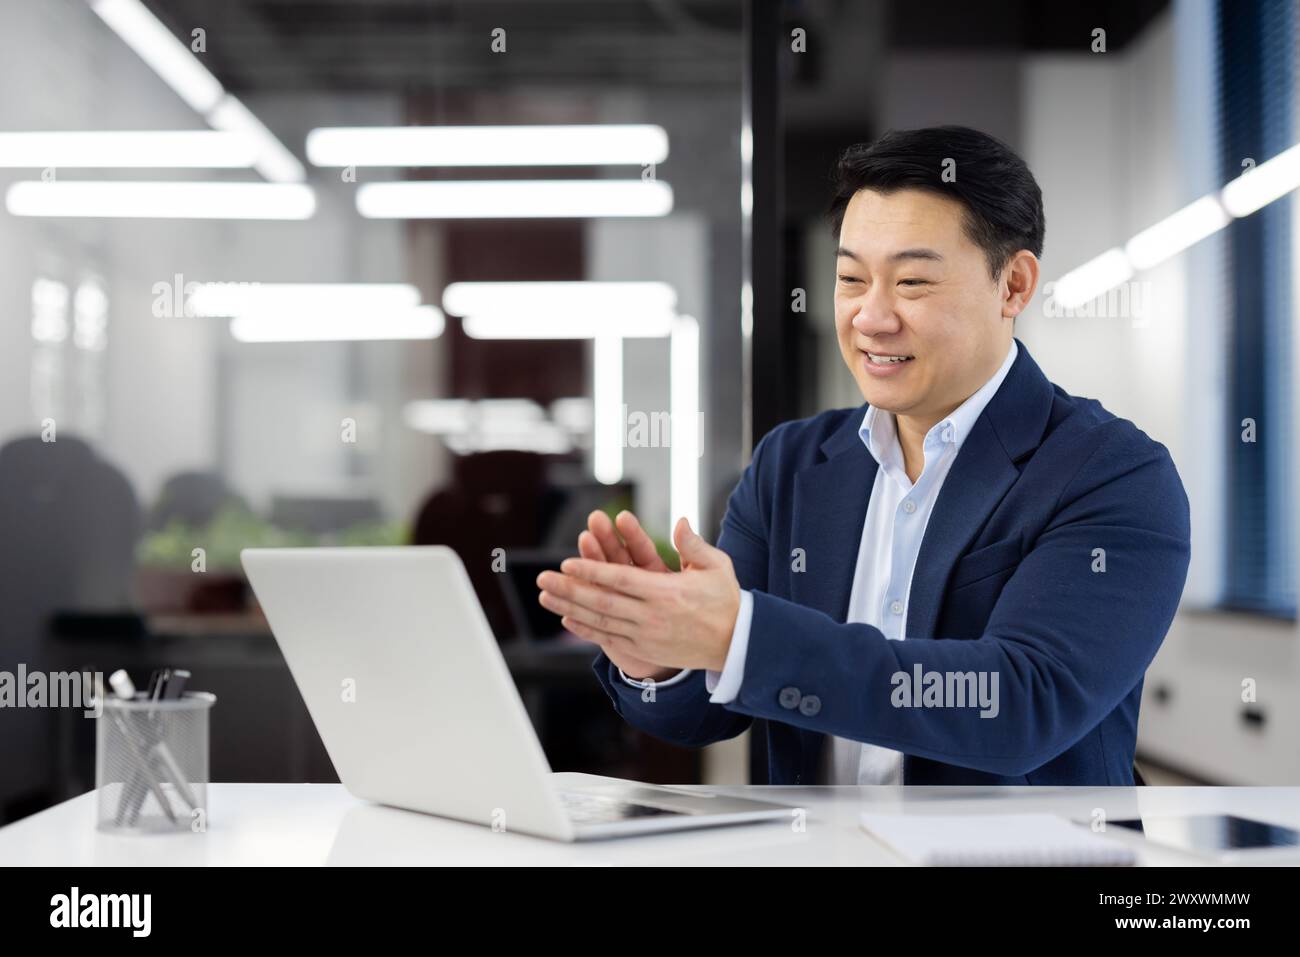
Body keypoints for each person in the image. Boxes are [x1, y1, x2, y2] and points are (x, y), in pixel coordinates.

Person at [536, 126, 1191, 786]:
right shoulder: (790, 464)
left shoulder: (1113, 473)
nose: (871, 317)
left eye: (912, 281)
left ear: (1013, 285)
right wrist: (658, 652)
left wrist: (744, 637)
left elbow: (1019, 703)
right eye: (851, 278)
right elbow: (709, 712)